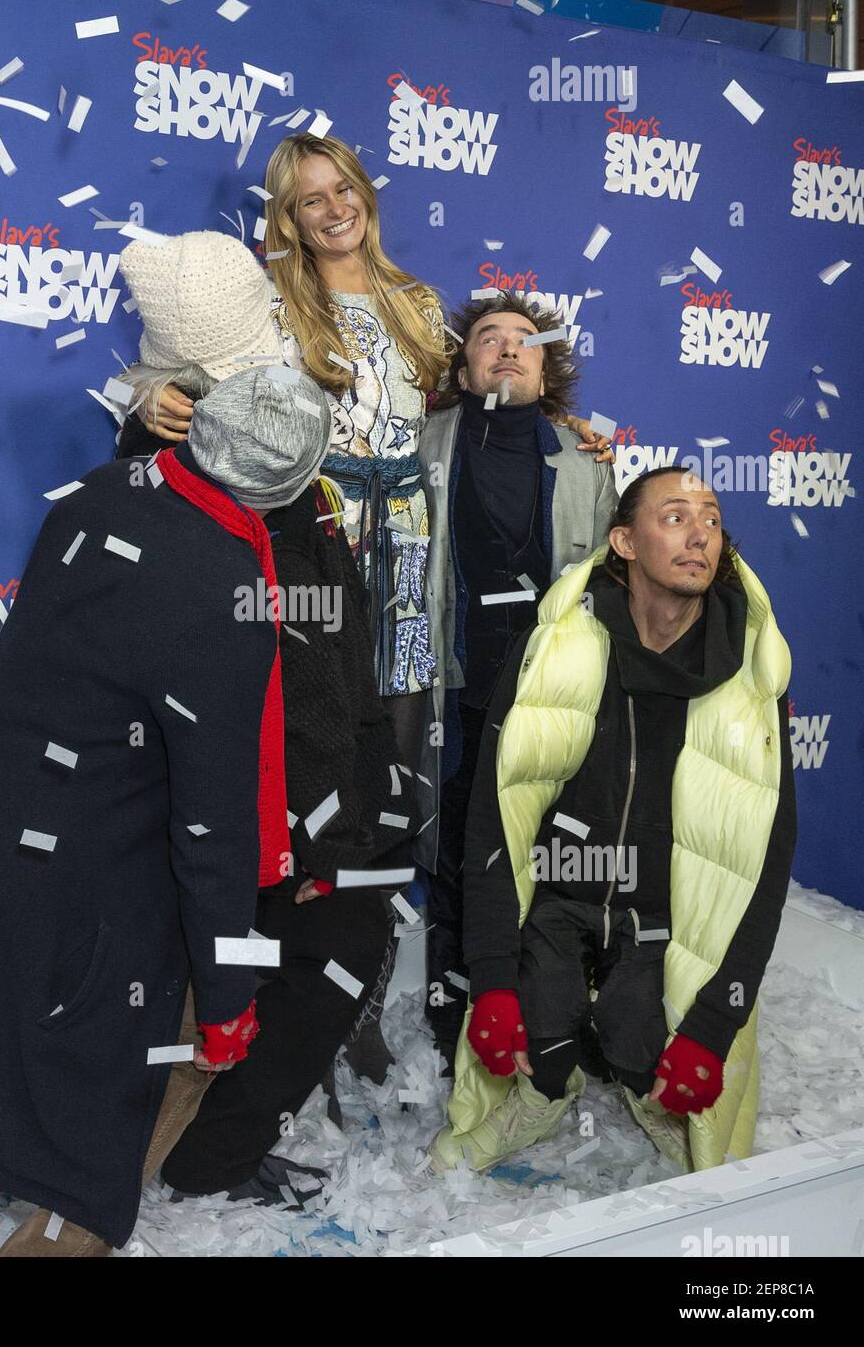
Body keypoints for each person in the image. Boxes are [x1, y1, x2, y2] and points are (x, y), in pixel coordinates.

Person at [121, 134, 611, 1081]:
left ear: (364, 195)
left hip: (413, 557)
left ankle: (370, 986)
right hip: (315, 540)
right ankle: (301, 1002)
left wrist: (561, 423)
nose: (332, 207)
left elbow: (472, 408)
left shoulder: (420, 302)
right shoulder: (269, 298)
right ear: (287, 219)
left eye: (342, 188)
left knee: (399, 771)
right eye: (309, 200)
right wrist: (147, 401)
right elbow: (187, 364)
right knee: (315, 763)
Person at [0, 359, 332, 1256]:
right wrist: (228, 998)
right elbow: (213, 822)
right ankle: (61, 1236)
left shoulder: (99, 491)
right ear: (292, 488)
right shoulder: (225, 594)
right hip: (67, 852)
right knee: (191, 1038)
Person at [116, 229, 417, 1207]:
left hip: (322, 768)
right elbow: (131, 522)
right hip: (251, 792)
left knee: (339, 944)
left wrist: (363, 774)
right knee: (279, 961)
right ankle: (201, 1155)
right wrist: (140, 423)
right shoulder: (172, 465)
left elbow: (333, 630)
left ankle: (216, 1145)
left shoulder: (294, 459)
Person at [433, 467, 796, 1175]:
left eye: (711, 518)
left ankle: (649, 1093)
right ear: (623, 542)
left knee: (643, 1039)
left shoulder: (752, 673)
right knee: (531, 1026)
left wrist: (713, 1024)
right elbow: (492, 824)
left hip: (670, 913)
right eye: (674, 517)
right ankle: (543, 1092)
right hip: (565, 892)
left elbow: (767, 859)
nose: (699, 534)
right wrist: (493, 978)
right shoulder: (556, 650)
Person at [419, 291, 617, 1068]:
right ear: (463, 369)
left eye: (524, 340)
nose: (506, 348)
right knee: (458, 859)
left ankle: (560, 1017)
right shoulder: (416, 444)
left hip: (552, 701)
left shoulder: (585, 462)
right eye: (487, 339)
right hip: (456, 692)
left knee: (554, 859)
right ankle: (455, 1020)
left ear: (547, 366)